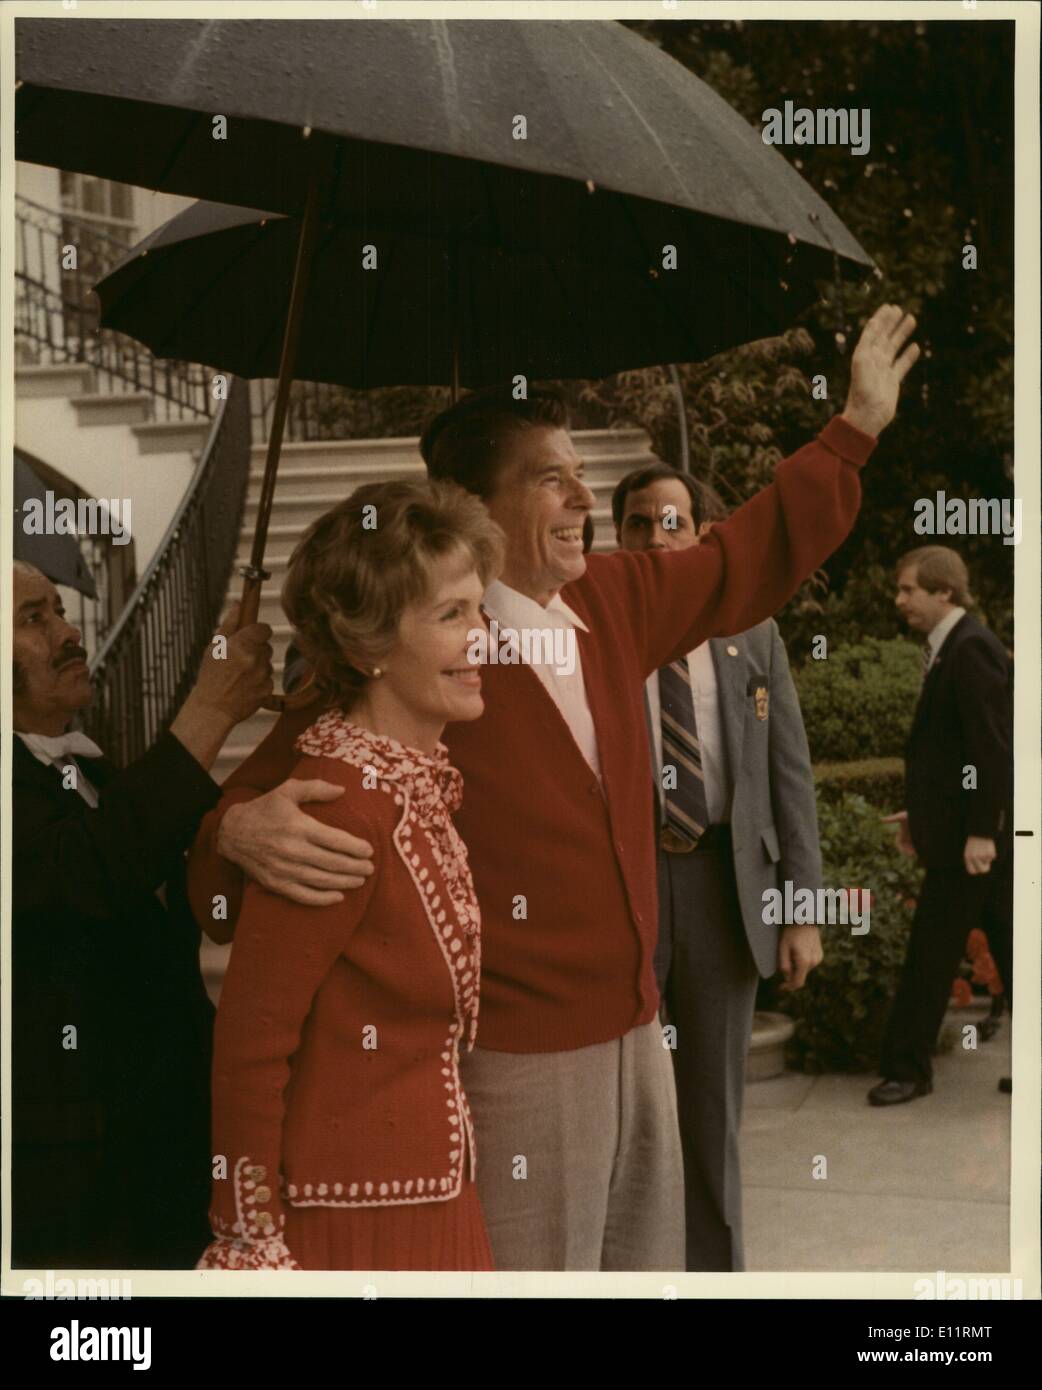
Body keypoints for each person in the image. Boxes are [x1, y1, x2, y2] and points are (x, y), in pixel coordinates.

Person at [188, 305, 919, 1271]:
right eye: (551, 477)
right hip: (514, 1065)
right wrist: (235, 832)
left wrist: (852, 430)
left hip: (638, 1029)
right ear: (476, 504)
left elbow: (745, 556)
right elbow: (270, 795)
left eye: (581, 472)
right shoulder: (415, 651)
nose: (585, 495)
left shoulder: (616, 599)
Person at [195, 480, 503, 1272]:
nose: (485, 639)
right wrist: (248, 1238)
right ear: (367, 644)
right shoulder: (336, 806)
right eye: (451, 615)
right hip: (353, 1233)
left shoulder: (412, 779)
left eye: (480, 609)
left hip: (431, 1201)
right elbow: (251, 1047)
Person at [10, 560, 272, 1268]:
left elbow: (144, 846)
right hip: (72, 1186)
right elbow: (88, 869)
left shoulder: (84, 767)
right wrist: (211, 709)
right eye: (33, 618)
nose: (69, 634)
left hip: (160, 1144)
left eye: (59, 611)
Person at [613, 465, 823, 1271]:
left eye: (673, 521)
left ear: (705, 531)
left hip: (723, 890)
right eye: (639, 523)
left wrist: (802, 910)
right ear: (619, 536)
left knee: (711, 1108)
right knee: (628, 1109)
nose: (657, 537)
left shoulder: (751, 632)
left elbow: (787, 773)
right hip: (623, 893)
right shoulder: (601, 630)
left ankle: (713, 1278)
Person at [871, 546, 1013, 1105]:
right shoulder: (955, 646)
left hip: (971, 846)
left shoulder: (970, 648)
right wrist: (925, 814)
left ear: (943, 593)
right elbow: (956, 758)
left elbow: (989, 749)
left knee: (930, 955)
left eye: (909, 590)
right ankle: (908, 1066)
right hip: (967, 837)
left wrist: (980, 832)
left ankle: (907, 1069)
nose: (899, 599)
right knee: (1016, 953)